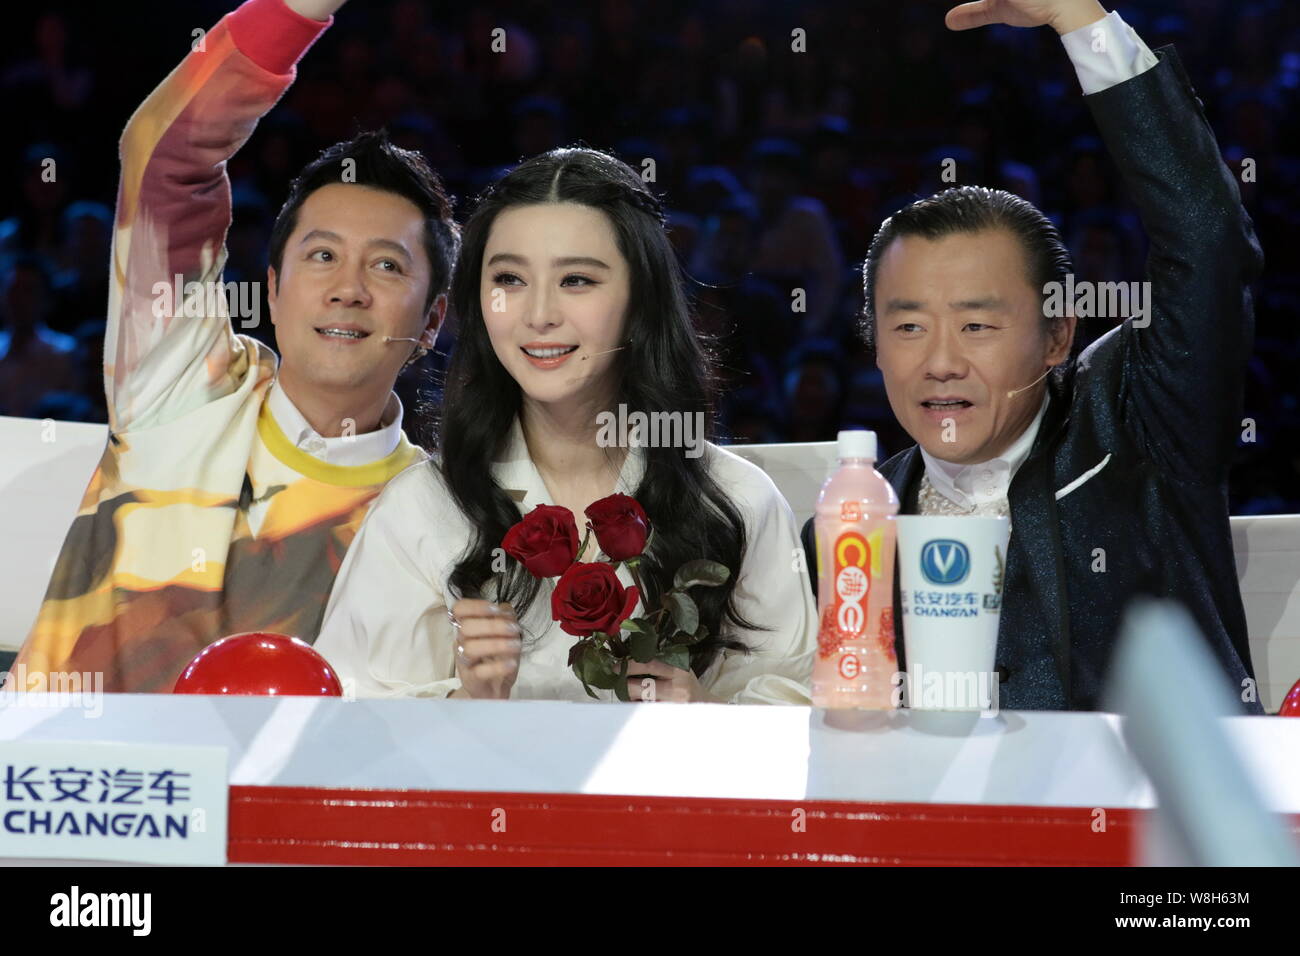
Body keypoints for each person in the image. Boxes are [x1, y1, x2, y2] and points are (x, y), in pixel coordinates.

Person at [801, 0, 1265, 713]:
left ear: (1058, 335)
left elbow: (1207, 241)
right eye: (910, 327)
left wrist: (1079, 20)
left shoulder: (1138, 423)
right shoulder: (849, 529)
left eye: (978, 326)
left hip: (1156, 817)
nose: (941, 362)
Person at [7, 0, 458, 693]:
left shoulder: (435, 515)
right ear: (271, 291)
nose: (348, 289)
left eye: (387, 266)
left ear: (432, 322)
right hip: (64, 791)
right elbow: (162, 156)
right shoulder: (188, 382)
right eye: (322, 256)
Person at [315, 148, 816, 703]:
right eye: (509, 278)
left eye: (577, 280)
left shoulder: (737, 500)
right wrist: (471, 701)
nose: (538, 314)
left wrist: (700, 717)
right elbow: (349, 730)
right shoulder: (421, 507)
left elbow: (799, 718)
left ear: (641, 299)